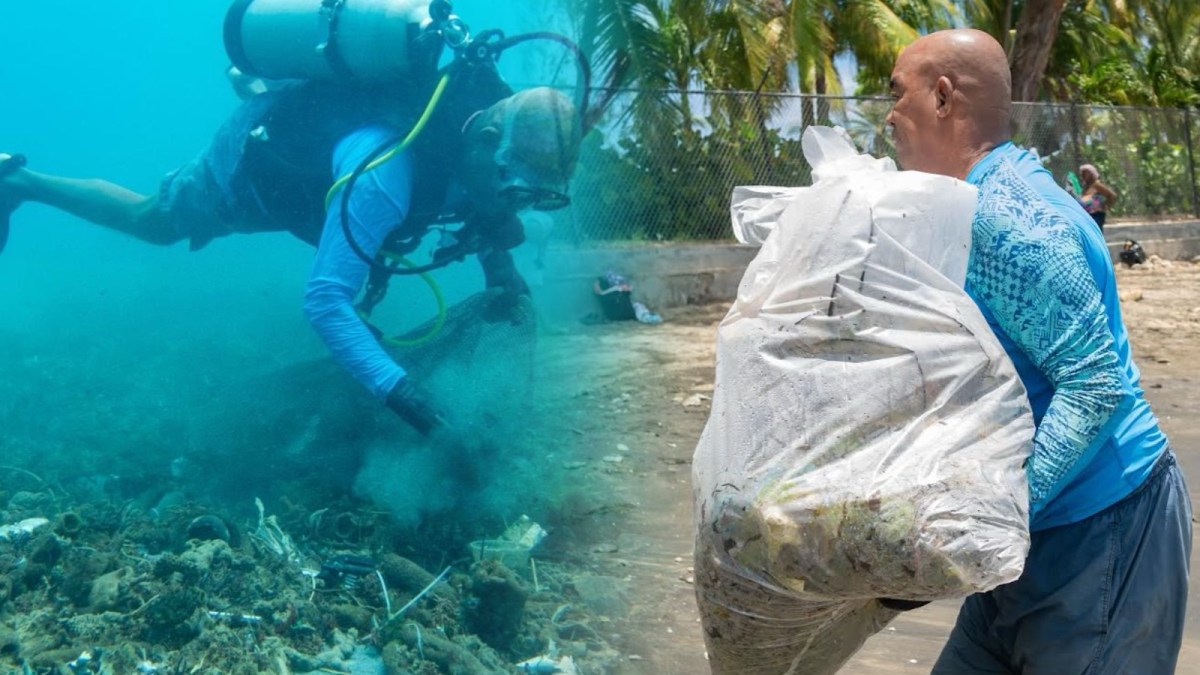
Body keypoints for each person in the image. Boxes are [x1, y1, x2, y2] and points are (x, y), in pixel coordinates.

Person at [0, 67, 581, 436]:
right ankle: (21, 183)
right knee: (153, 221)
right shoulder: (384, 174)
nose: (510, 199)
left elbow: (492, 210)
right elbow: (326, 301)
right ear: (484, 141)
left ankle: (273, 94)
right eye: (507, 184)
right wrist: (402, 393)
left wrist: (502, 269)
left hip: (329, 155)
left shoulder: (492, 130)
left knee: (456, 207)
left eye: (526, 194)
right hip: (252, 177)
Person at [887, 29, 1191, 674]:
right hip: (1029, 534)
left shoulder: (1008, 218)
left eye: (896, 93)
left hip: (1100, 532)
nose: (888, 116)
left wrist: (984, 529)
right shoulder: (984, 197)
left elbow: (1092, 384)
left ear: (942, 98)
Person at [1077, 162, 1118, 230]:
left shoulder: (1097, 185)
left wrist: (1104, 206)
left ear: (1091, 173)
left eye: (1085, 173)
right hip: (1086, 216)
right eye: (1082, 173)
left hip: (1096, 216)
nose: (1083, 175)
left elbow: (1112, 195)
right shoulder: (1085, 187)